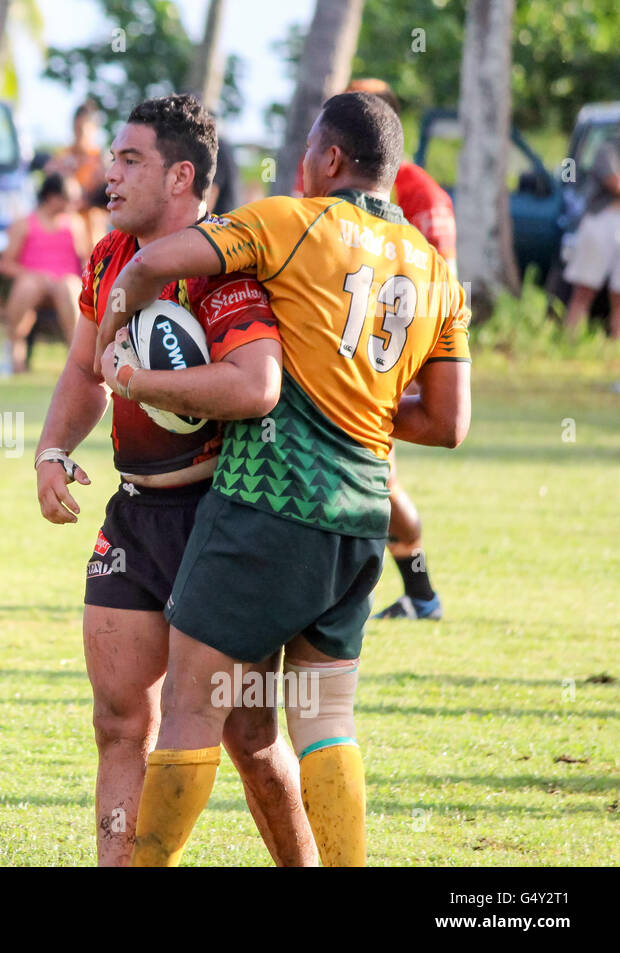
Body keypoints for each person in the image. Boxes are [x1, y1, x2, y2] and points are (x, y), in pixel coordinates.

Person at [93, 92, 471, 867]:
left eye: (306, 150)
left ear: (329, 160)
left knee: (193, 706)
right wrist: (356, 401)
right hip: (362, 517)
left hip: (269, 506)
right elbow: (447, 424)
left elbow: (159, 258)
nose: (300, 164)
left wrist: (117, 345)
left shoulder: (292, 221)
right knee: (327, 720)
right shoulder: (438, 274)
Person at [35, 94, 315, 867]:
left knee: (250, 738)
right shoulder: (108, 257)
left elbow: (254, 383)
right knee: (120, 723)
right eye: (112, 158)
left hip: (222, 517)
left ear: (182, 175)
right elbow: (89, 369)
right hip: (133, 516)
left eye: (130, 162)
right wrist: (52, 450)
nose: (109, 176)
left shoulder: (225, 262)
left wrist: (149, 384)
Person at [349, 79, 459, 621]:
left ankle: (416, 594)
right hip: (352, 357)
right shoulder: (339, 185)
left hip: (389, 363)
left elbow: (444, 289)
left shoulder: (419, 193)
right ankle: (415, 595)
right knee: (372, 476)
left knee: (378, 478)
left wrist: (415, 372)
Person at [0, 173, 90, 374]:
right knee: (28, 285)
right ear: (52, 198)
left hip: (66, 286)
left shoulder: (75, 224)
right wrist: (38, 276)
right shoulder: (24, 224)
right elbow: (6, 264)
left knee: (68, 286)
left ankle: (76, 360)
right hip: (32, 284)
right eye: (70, 198)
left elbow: (85, 262)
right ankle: (14, 355)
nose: (75, 203)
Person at [563, 129, 620, 338]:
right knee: (584, 290)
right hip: (600, 221)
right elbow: (615, 183)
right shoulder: (608, 150)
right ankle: (570, 342)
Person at [47, 100, 110, 239]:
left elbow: (107, 194)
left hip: (92, 227)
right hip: (65, 226)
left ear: (93, 129)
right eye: (76, 129)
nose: (78, 135)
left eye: (82, 130)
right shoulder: (62, 157)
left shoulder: (100, 159)